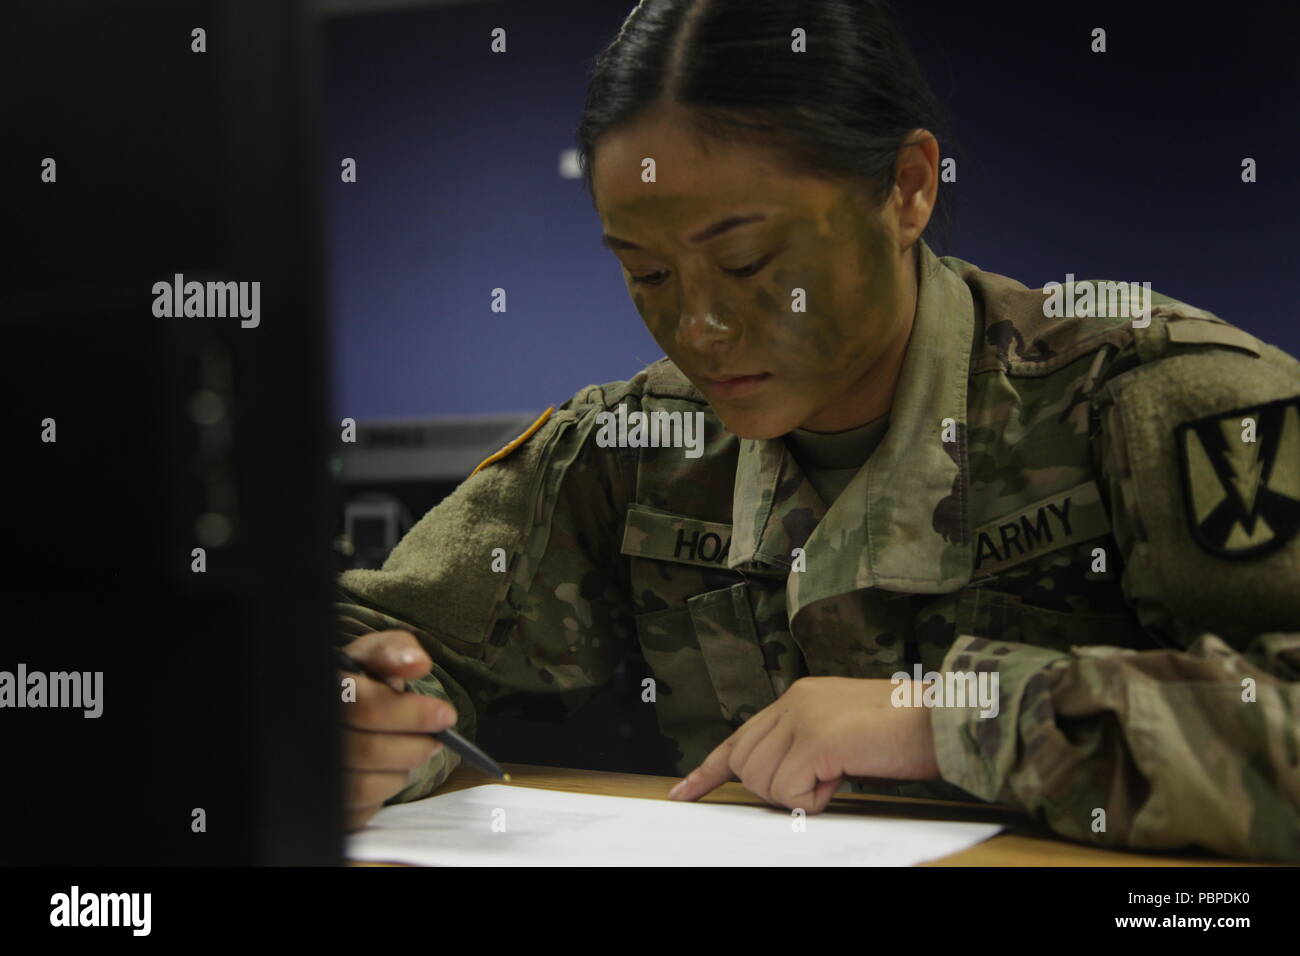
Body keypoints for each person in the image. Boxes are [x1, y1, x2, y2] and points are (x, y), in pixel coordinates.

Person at [334, 0, 1300, 860]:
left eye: (751, 261)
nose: (699, 330)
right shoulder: (634, 450)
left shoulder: (1158, 404)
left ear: (909, 189)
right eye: (648, 274)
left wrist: (949, 717)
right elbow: (376, 639)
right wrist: (358, 726)